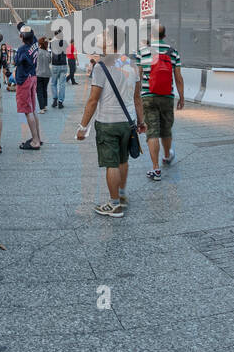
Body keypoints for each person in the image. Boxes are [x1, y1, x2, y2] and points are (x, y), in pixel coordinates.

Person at [73, 32, 146, 217]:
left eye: (102, 36)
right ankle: (121, 195)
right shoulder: (132, 65)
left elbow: (93, 100)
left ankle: (114, 205)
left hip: (108, 122)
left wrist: (82, 127)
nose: (98, 39)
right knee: (123, 159)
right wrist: (141, 121)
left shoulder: (101, 66)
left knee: (111, 164)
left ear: (111, 42)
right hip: (128, 122)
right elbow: (138, 98)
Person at [143, 25, 190, 181]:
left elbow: (137, 77)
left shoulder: (143, 51)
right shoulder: (173, 52)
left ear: (151, 35)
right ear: (164, 35)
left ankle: (156, 169)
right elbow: (178, 77)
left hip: (148, 96)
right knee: (166, 128)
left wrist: (136, 97)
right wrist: (181, 97)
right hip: (167, 96)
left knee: (152, 132)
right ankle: (167, 156)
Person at [11, 27, 43, 150]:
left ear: (21, 37)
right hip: (32, 76)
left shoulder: (22, 49)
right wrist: (12, 9)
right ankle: (37, 137)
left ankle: (35, 141)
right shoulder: (35, 42)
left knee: (27, 111)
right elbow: (21, 24)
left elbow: (16, 62)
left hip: (24, 79)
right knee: (33, 109)